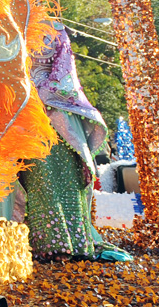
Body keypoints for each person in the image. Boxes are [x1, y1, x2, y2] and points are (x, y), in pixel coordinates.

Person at [21, 22, 131, 262]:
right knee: (37, 178)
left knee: (66, 178)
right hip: (23, 116)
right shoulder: (12, 26)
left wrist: (38, 96)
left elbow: (64, 72)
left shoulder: (55, 30)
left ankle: (74, 243)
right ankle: (45, 244)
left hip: (57, 115)